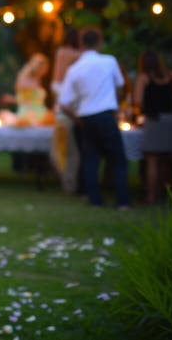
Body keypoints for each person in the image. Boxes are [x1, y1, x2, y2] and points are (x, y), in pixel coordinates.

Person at [58, 28, 130, 209]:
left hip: (86, 117)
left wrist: (77, 120)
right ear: (99, 41)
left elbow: (64, 104)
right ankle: (122, 201)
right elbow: (121, 88)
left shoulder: (75, 69)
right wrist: (116, 106)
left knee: (91, 159)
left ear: (82, 43)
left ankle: (94, 199)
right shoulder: (109, 61)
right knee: (118, 159)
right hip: (105, 115)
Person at [133, 50, 172, 204]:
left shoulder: (143, 78)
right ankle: (168, 194)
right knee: (168, 159)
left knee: (152, 160)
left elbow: (137, 101)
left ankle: (151, 196)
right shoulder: (171, 76)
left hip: (154, 120)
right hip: (171, 120)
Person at [50, 29, 84, 194]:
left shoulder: (60, 52)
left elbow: (55, 82)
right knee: (72, 149)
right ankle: (70, 182)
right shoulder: (79, 55)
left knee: (60, 148)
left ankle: (67, 180)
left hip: (60, 102)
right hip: (71, 104)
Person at [15, 53, 50, 126]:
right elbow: (20, 90)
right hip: (29, 114)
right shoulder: (25, 80)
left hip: (40, 113)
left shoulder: (38, 79)